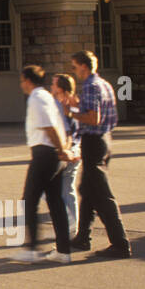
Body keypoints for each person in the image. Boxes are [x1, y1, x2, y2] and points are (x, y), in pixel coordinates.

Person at [69, 50, 131, 259]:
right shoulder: (103, 84)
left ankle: (120, 243)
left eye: (75, 67)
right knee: (86, 189)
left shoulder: (89, 86)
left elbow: (93, 118)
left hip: (93, 142)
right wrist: (74, 104)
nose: (74, 71)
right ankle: (82, 237)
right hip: (104, 140)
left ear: (83, 67)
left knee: (103, 195)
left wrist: (71, 113)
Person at [13, 65, 73, 263]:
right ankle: (63, 251)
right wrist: (62, 148)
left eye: (22, 80)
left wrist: (61, 149)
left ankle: (31, 248)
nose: (21, 84)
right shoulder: (46, 96)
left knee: (29, 200)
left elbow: (48, 127)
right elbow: (59, 125)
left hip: (44, 153)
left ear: (28, 80)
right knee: (55, 202)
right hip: (51, 154)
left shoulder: (36, 98)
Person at [51, 73, 83, 236]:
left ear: (61, 88)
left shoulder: (59, 105)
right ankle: (71, 228)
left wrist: (64, 150)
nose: (51, 87)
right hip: (76, 151)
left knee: (47, 191)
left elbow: (65, 130)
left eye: (54, 84)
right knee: (68, 190)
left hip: (64, 152)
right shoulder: (76, 102)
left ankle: (66, 225)